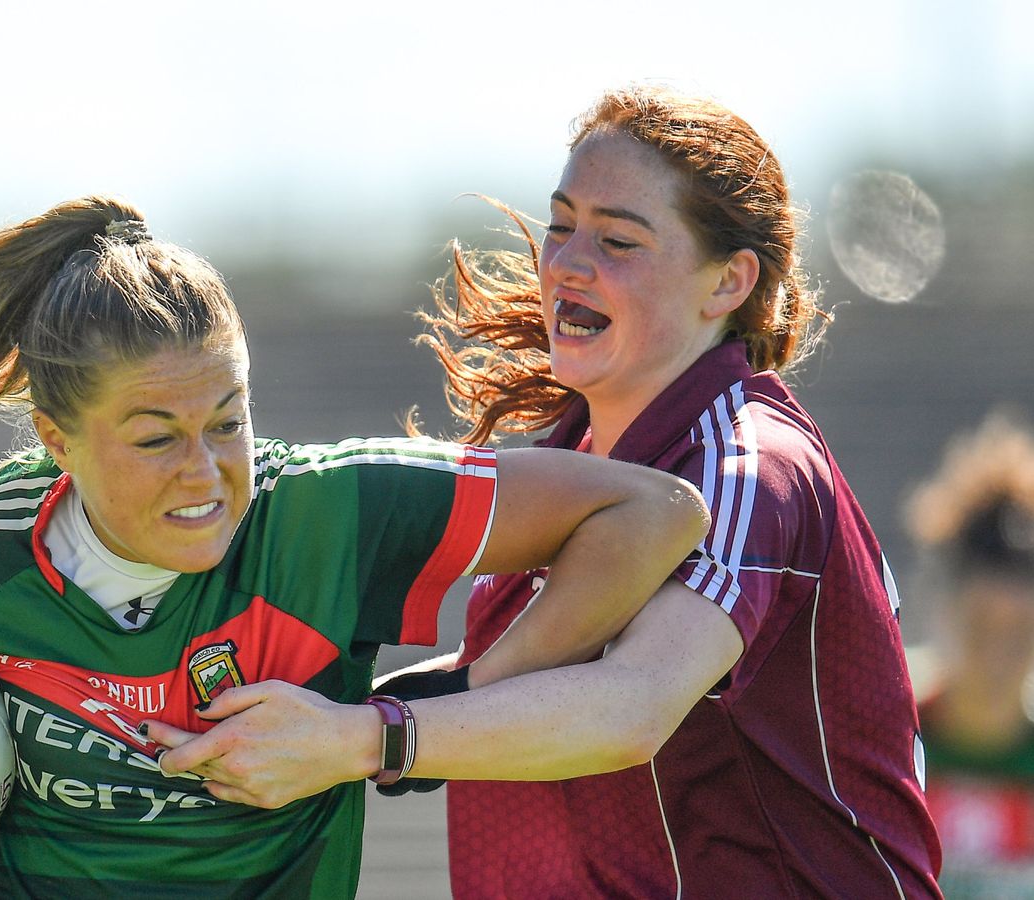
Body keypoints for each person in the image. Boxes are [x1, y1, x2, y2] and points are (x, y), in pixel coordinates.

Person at [0, 157, 710, 897]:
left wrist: (451, 703)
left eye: (227, 420)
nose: (205, 472)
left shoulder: (326, 516)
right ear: (57, 439)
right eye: (153, 436)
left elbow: (649, 511)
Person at [149, 84, 944, 897]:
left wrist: (367, 738)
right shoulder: (582, 465)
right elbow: (504, 691)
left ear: (729, 282)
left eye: (619, 241)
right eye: (561, 226)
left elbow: (632, 704)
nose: (565, 262)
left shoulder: (750, 465)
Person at [905, 415, 1034, 898]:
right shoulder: (884, 731)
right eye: (981, 623)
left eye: (1019, 630)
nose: (997, 655)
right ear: (944, 607)